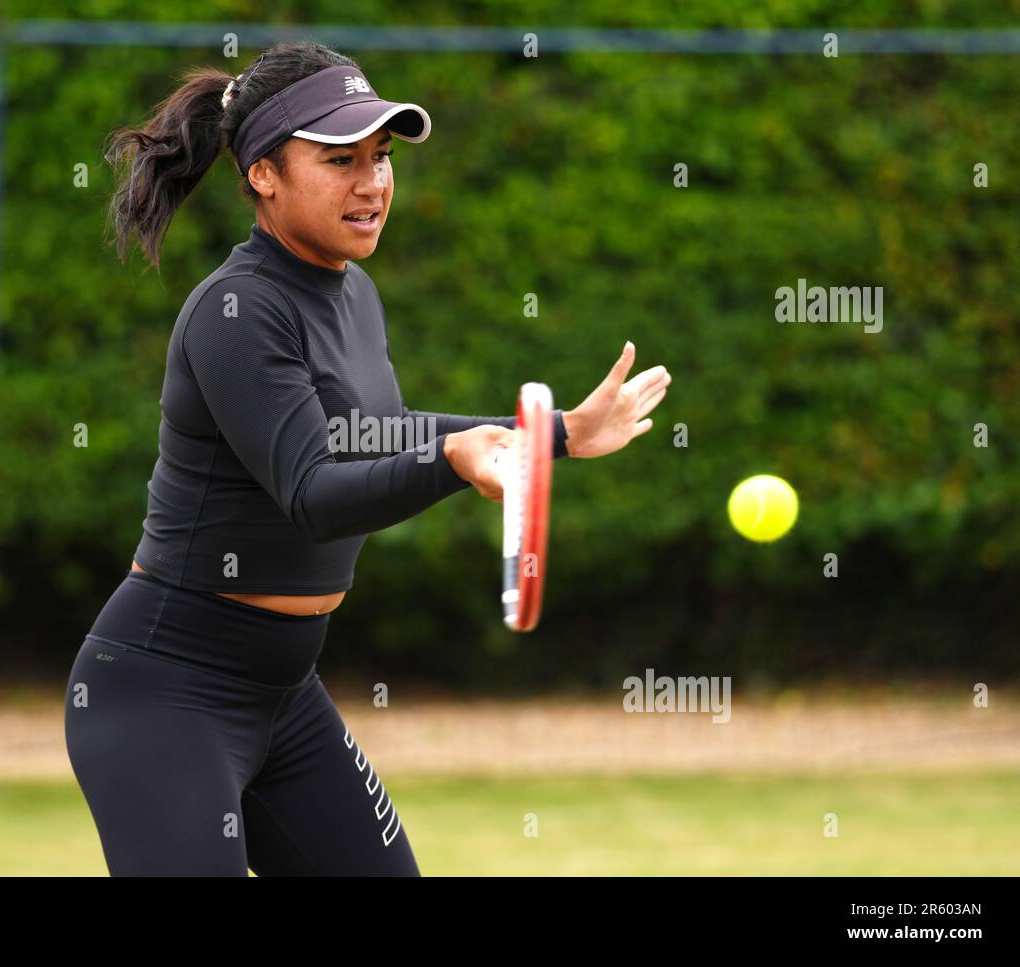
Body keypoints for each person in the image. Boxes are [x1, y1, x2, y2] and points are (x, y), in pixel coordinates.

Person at [64, 41, 672, 876]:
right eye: (341, 159)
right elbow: (312, 488)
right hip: (164, 695)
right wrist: (456, 459)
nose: (373, 182)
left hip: (284, 693)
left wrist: (555, 432)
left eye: (381, 158)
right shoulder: (236, 312)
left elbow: (376, 433)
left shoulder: (351, 291)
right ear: (263, 175)